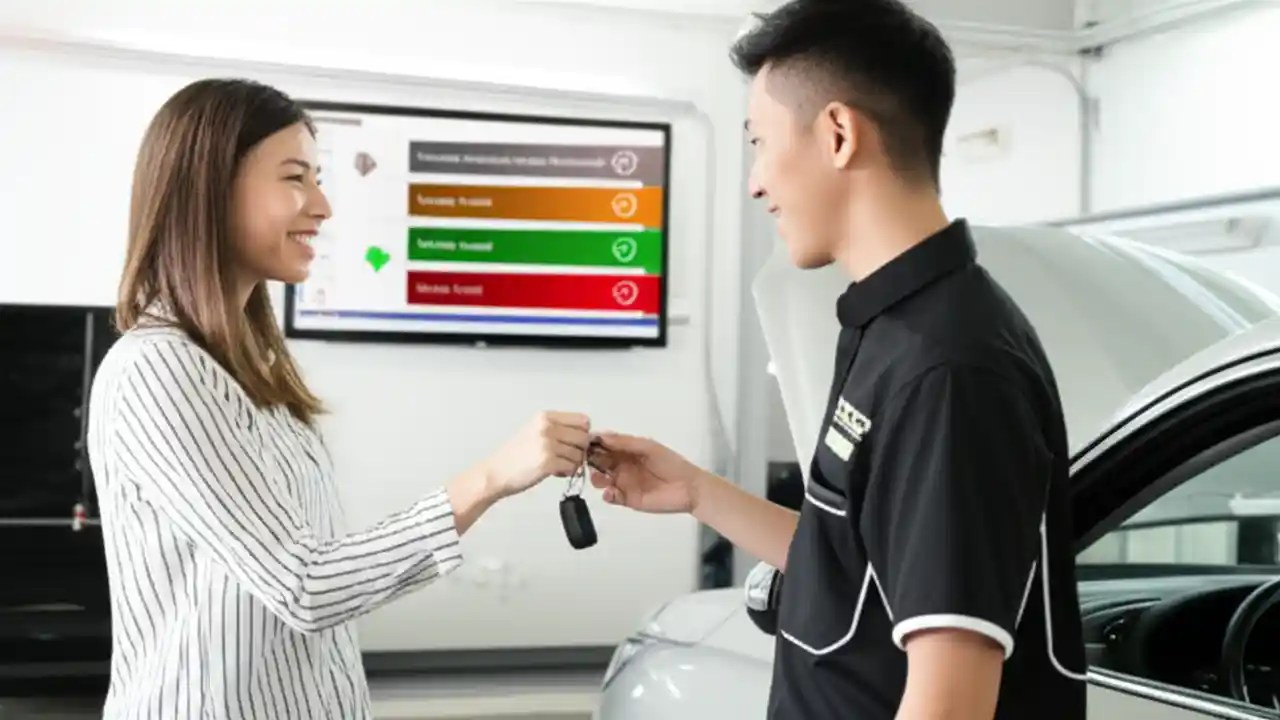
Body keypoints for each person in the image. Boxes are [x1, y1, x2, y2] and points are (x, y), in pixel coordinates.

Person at [590, 1, 1088, 718]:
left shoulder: (950, 368)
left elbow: (947, 700)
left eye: (760, 142)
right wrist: (697, 490)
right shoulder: (894, 327)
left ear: (837, 133)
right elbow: (857, 563)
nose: (756, 181)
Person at [85, 78, 593, 720]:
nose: (322, 205)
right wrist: (489, 478)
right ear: (210, 186)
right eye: (296, 177)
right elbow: (307, 585)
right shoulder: (158, 370)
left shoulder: (250, 370)